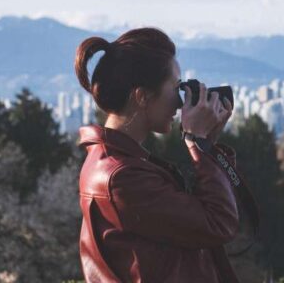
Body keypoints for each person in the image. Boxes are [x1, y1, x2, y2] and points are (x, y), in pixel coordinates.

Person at [73, 27, 240, 282]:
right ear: (142, 96)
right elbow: (218, 223)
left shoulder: (118, 163)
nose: (180, 102)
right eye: (175, 87)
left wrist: (207, 145)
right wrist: (198, 143)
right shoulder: (122, 176)